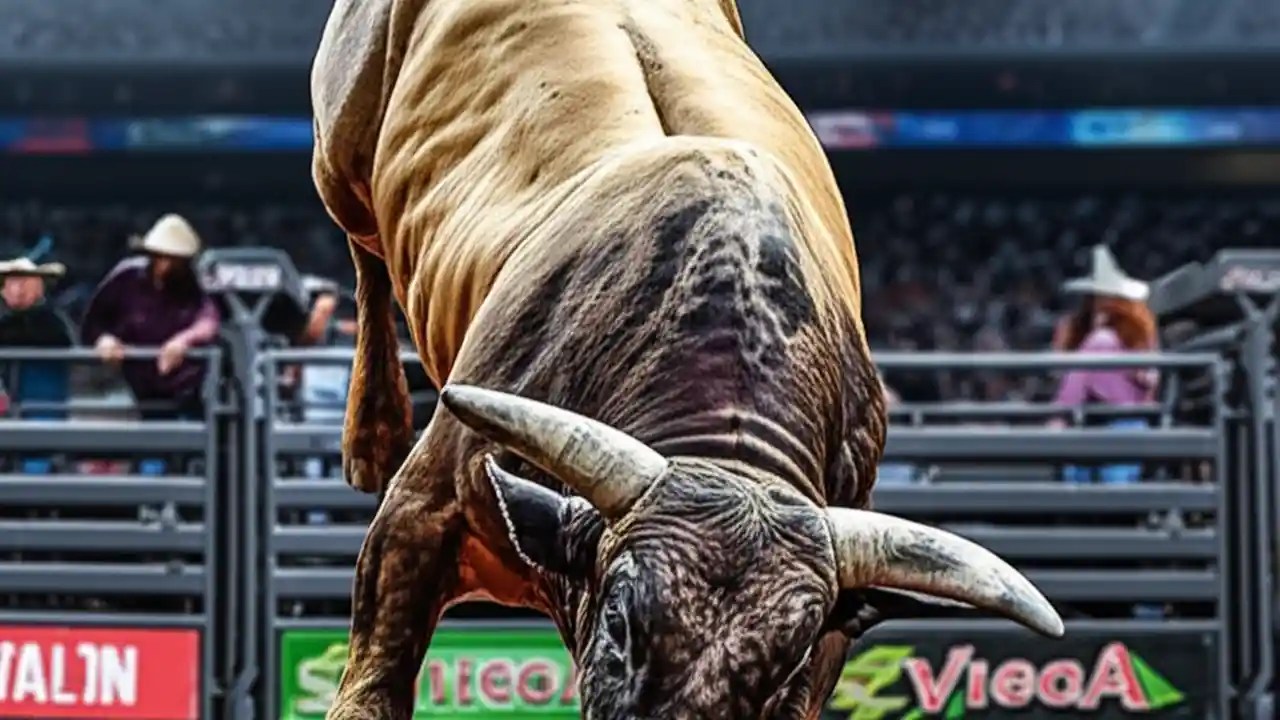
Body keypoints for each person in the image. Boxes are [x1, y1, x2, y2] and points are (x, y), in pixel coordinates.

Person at [80, 214, 221, 421]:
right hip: (132, 382)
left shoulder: (198, 284)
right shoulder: (125, 277)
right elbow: (94, 322)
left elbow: (210, 318)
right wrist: (104, 339)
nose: (165, 265)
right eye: (160, 256)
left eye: (173, 259)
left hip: (186, 388)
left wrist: (184, 340)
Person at [1051, 245, 1159, 485]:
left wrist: (1058, 420)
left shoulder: (1102, 339)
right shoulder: (1141, 337)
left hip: (1115, 427)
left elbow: (1073, 389)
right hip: (1130, 426)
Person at [0, 250, 77, 422]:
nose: (18, 289)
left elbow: (66, 342)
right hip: (11, 408)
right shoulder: (4, 323)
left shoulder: (52, 321)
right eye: (12, 282)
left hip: (44, 404)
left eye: (25, 282)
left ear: (39, 287)